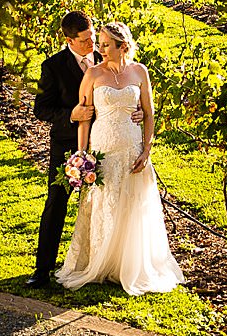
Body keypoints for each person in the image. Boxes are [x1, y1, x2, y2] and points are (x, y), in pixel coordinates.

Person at [55, 21, 185, 295]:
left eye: (105, 45)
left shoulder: (139, 72)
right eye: (100, 43)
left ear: (122, 46)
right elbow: (84, 119)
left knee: (132, 204)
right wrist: (81, 156)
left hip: (132, 149)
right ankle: (100, 262)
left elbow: (148, 114)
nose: (100, 49)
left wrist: (146, 150)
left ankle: (127, 264)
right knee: (105, 203)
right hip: (103, 148)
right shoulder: (92, 74)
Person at [31, 10, 103, 287]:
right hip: (66, 145)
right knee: (56, 203)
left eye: (92, 37)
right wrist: (72, 114)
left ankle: (99, 264)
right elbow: (41, 109)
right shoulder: (53, 66)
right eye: (84, 40)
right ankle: (42, 269)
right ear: (69, 40)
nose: (91, 44)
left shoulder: (105, 58)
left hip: (104, 142)